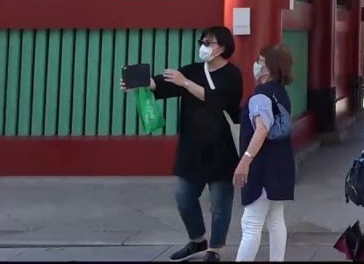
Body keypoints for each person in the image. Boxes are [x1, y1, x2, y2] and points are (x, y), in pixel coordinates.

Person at [121, 26, 242, 263]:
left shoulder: (232, 74)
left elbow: (219, 101)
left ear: (222, 48)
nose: (204, 46)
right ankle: (197, 239)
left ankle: (215, 249)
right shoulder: (193, 71)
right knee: (184, 197)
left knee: (220, 205)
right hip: (191, 148)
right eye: (203, 41)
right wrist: (137, 83)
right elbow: (161, 85)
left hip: (221, 149)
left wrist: (185, 83)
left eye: (209, 42)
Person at [234, 45, 296, 262]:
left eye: (260, 60)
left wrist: (245, 161)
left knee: (250, 223)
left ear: (269, 67)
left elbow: (262, 129)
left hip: (262, 167)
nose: (256, 64)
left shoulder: (260, 95)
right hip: (282, 164)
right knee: (276, 219)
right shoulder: (281, 93)